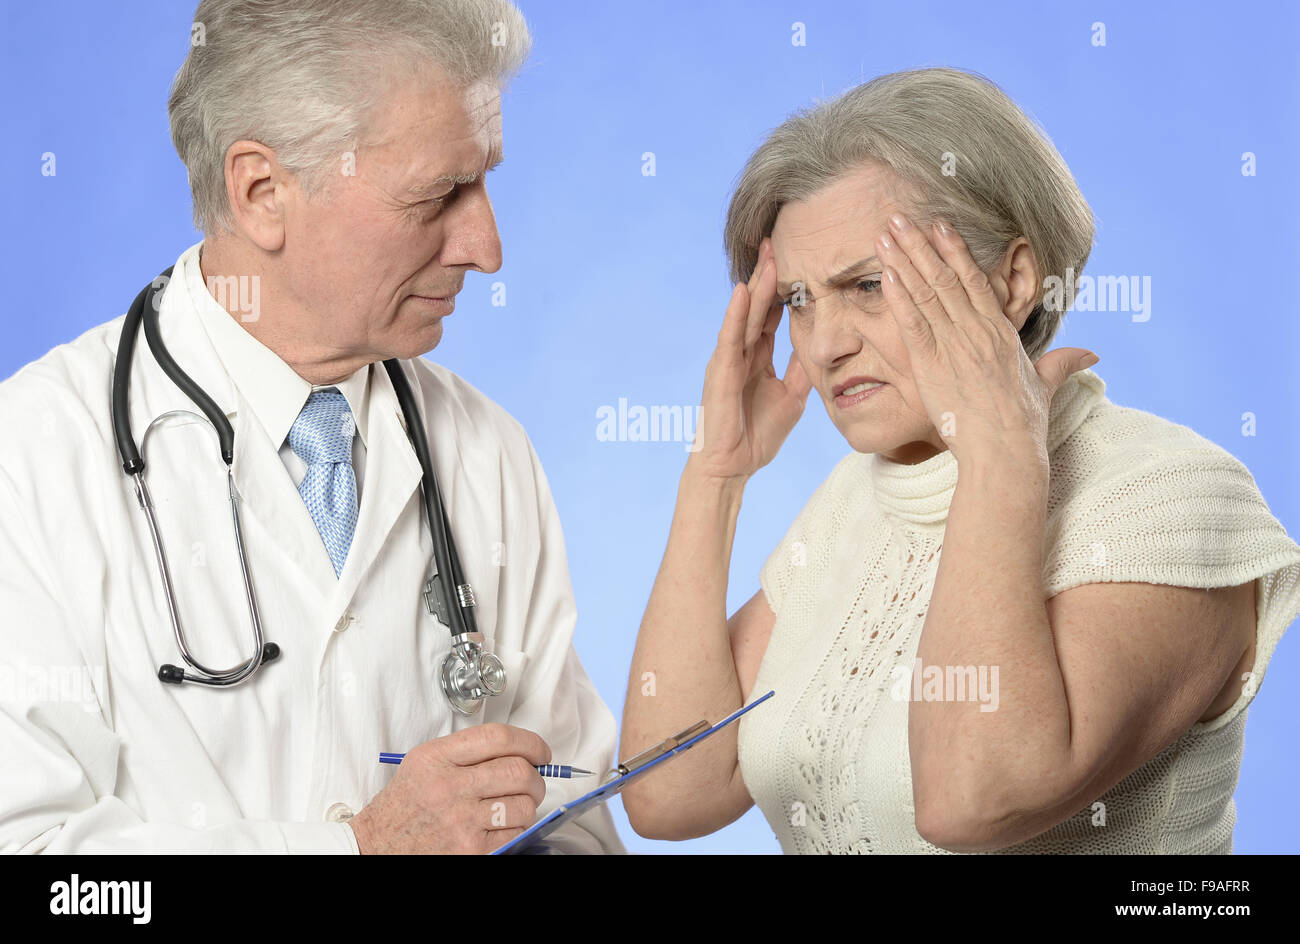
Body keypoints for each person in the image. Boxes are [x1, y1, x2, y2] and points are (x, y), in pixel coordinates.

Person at [620, 66, 1300, 854]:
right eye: (801, 299)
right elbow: (670, 793)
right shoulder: (858, 502)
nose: (827, 343)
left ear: (1014, 282)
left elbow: (969, 801)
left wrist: (1004, 458)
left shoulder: (1169, 498)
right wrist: (716, 477)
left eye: (867, 284)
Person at [0, 0, 624, 855]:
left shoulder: (487, 452)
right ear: (262, 193)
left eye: (484, 182)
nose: (487, 246)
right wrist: (360, 851)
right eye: (439, 194)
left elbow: (572, 813)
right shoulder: (31, 457)